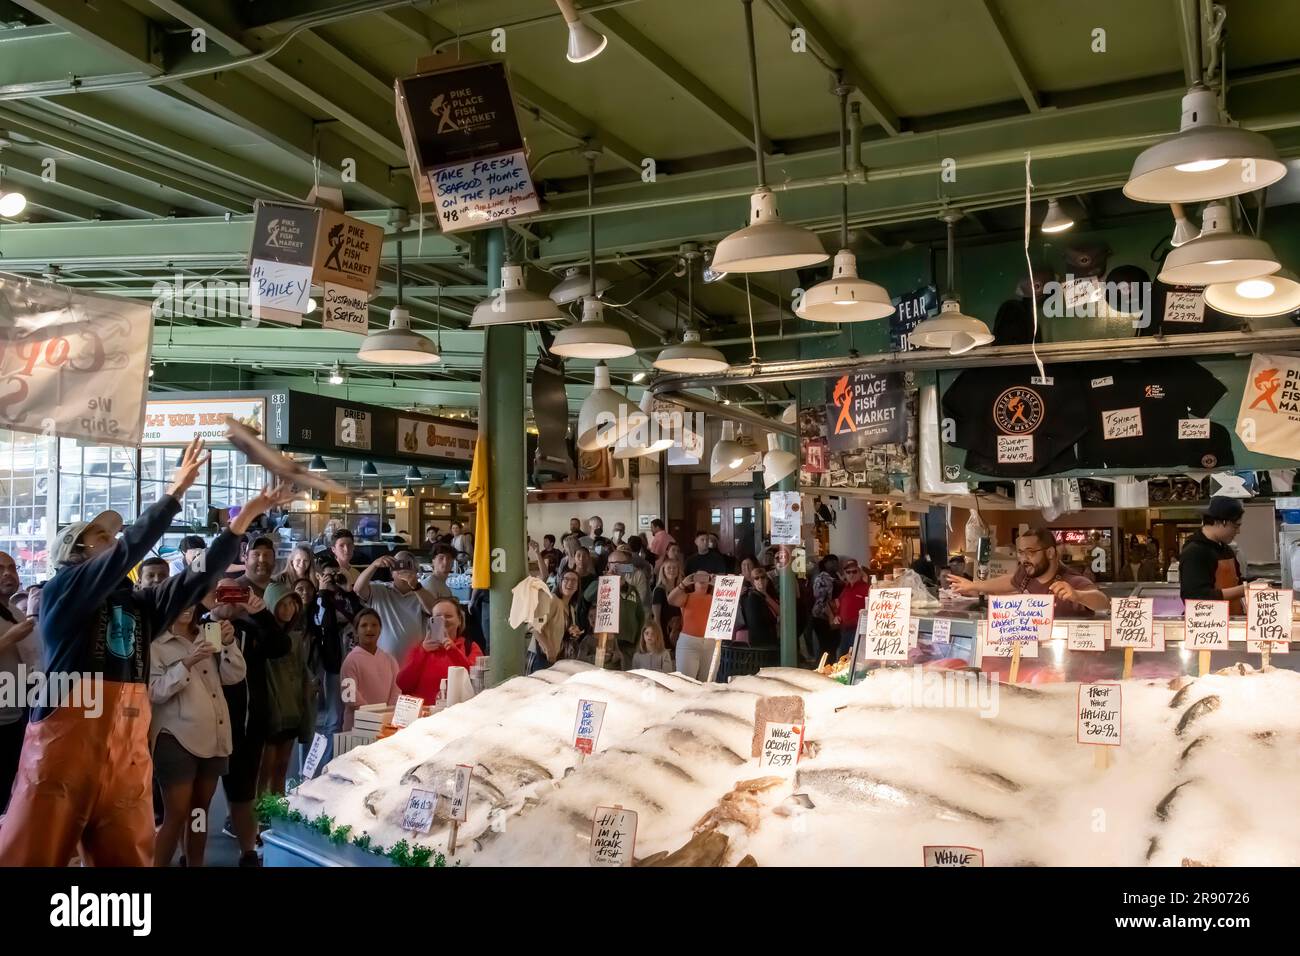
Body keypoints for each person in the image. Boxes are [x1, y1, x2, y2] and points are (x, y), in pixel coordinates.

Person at [0, 437, 288, 867]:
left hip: (126, 756)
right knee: (32, 858)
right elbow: (129, 548)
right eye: (101, 537)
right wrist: (174, 493)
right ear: (76, 553)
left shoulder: (139, 605)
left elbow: (198, 576)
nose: (113, 540)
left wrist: (244, 517)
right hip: (62, 756)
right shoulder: (64, 591)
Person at [148, 601, 242, 867]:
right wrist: (187, 663)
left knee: (200, 809)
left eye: (191, 600)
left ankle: (195, 863)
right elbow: (154, 691)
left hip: (214, 734)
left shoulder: (207, 633)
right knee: (176, 814)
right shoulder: (156, 643)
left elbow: (233, 676)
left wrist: (230, 644)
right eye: (181, 600)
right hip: (174, 737)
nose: (186, 607)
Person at [948, 527, 1108, 616]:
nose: (1024, 559)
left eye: (1030, 552)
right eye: (1021, 552)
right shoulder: (1026, 574)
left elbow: (1103, 602)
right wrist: (974, 586)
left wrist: (1077, 595)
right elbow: (1009, 582)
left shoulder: (1072, 581)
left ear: (1050, 553)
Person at [258, 582, 314, 803]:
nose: (288, 608)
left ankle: (277, 813)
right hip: (271, 712)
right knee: (266, 768)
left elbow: (301, 672)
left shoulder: (297, 638)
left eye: (293, 603)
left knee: (282, 767)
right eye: (283, 603)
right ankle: (260, 817)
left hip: (293, 709)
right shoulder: (261, 635)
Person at [0, 551, 38, 815]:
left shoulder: (14, 611)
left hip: (14, 714)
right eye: (0, 568)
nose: (8, 573)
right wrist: (9, 638)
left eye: (12, 567)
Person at [356, 552, 438, 662]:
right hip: (382, 662)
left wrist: (415, 586)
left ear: (416, 572)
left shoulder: (421, 594)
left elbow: (434, 610)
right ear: (391, 573)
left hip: (414, 663)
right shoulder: (379, 590)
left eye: (408, 566)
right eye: (398, 566)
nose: (403, 571)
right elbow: (358, 589)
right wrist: (374, 565)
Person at [396, 599, 483, 702]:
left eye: (448, 616)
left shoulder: (470, 647)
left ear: (459, 620)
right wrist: (422, 652)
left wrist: (454, 652)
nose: (443, 620)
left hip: (459, 711)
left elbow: (476, 681)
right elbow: (403, 684)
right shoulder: (420, 649)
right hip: (425, 714)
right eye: (438, 617)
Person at [1179, 497, 1247, 614]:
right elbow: (1195, 597)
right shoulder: (1194, 551)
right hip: (1208, 625)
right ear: (1221, 522)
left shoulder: (1226, 549)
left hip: (1232, 622)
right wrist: (1245, 589)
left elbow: (1236, 582)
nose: (1238, 531)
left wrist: (1255, 584)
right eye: (1235, 526)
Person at [338, 609, 398, 732]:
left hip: (385, 725)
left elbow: (396, 689)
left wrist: (387, 714)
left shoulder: (390, 659)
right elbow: (349, 697)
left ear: (380, 630)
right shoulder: (351, 661)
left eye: (374, 625)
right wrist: (372, 716)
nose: (369, 629)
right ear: (356, 631)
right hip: (357, 726)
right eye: (364, 625)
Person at [530, 569, 587, 672]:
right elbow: (535, 626)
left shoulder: (571, 608)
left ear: (578, 587)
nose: (570, 583)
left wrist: (572, 631)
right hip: (542, 658)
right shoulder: (552, 599)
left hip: (557, 659)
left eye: (574, 580)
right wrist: (548, 649)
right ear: (560, 582)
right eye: (566, 579)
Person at [668, 570, 719, 681]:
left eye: (705, 576)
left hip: (711, 643)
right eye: (698, 576)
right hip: (688, 643)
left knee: (708, 683)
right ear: (693, 580)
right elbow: (670, 600)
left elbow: (730, 604)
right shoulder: (687, 597)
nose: (702, 579)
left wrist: (718, 584)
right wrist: (683, 584)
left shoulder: (716, 598)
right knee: (685, 682)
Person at [836, 558, 872, 656]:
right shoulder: (846, 588)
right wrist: (837, 616)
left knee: (854, 658)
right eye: (848, 572)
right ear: (845, 574)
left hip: (858, 631)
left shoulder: (867, 588)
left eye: (854, 571)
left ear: (859, 572)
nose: (851, 574)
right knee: (842, 658)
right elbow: (840, 605)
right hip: (844, 630)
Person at [740, 563, 780, 648]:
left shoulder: (768, 595)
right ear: (753, 581)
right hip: (761, 645)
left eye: (762, 577)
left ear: (767, 580)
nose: (760, 580)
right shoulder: (752, 598)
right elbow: (756, 624)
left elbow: (780, 611)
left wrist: (765, 595)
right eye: (756, 578)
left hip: (771, 641)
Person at [811, 556, 842, 662]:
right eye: (831, 562)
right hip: (823, 616)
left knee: (832, 645)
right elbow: (822, 599)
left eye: (836, 562)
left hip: (832, 614)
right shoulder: (822, 578)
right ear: (825, 564)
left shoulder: (836, 576)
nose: (835, 564)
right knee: (827, 646)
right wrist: (830, 615)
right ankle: (824, 668)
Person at [651, 556, 683, 643]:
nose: (672, 570)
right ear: (663, 570)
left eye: (674, 568)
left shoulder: (681, 590)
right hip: (664, 632)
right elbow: (656, 618)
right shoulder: (659, 590)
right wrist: (659, 638)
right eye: (669, 568)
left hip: (679, 632)